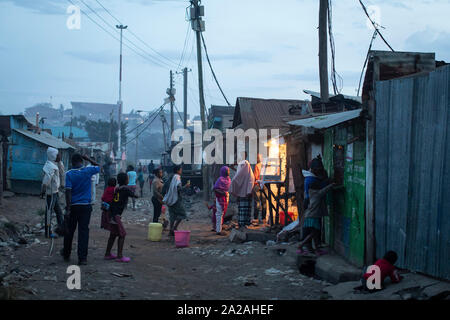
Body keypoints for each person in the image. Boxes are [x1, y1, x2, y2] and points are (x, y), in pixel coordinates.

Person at [62, 154, 101, 265]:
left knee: (69, 231)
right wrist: (88, 158)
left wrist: (68, 209)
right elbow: (99, 167)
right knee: (83, 232)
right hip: (85, 206)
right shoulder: (88, 171)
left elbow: (68, 192)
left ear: (72, 162)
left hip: (73, 206)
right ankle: (82, 258)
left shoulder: (69, 174)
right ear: (81, 161)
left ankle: (66, 254)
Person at [103, 172, 138, 263]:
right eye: (127, 179)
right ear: (125, 180)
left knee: (113, 234)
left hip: (111, 213)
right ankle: (119, 256)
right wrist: (135, 193)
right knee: (122, 234)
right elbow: (134, 195)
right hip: (116, 215)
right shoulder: (125, 189)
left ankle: (107, 254)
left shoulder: (116, 189)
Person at [297, 180, 335, 255]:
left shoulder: (309, 193)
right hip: (313, 216)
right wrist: (332, 184)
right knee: (314, 233)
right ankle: (300, 245)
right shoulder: (317, 194)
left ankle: (317, 250)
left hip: (308, 215)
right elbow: (324, 190)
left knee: (314, 233)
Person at [41, 147, 64, 237]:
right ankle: (48, 232)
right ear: (53, 155)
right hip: (50, 193)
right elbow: (45, 181)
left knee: (58, 211)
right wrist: (43, 190)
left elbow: (62, 172)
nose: (59, 156)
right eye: (58, 154)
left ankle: (61, 229)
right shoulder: (50, 166)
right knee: (49, 212)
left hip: (55, 192)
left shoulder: (55, 164)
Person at [163, 165, 190, 236]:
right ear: (178, 170)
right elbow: (178, 189)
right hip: (176, 199)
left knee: (172, 215)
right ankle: (174, 228)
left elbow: (164, 187)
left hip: (170, 199)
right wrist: (186, 186)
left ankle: (171, 231)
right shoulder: (177, 178)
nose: (181, 171)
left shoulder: (170, 177)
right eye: (181, 169)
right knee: (183, 214)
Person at [230, 160, 255, 229]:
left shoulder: (248, 174)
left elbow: (235, 180)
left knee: (244, 209)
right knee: (243, 209)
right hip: (244, 195)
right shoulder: (246, 173)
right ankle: (242, 223)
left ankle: (244, 223)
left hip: (245, 195)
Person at [212, 166, 231, 235]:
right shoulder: (220, 179)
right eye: (227, 171)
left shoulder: (228, 179)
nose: (228, 172)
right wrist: (222, 192)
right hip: (220, 198)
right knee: (219, 213)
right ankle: (218, 230)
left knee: (222, 213)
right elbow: (215, 189)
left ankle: (219, 227)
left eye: (228, 171)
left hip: (226, 197)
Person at [252, 154, 266, 225]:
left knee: (257, 202)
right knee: (264, 203)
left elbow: (256, 176)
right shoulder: (267, 166)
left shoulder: (258, 165)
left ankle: (256, 219)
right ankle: (263, 219)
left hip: (257, 185)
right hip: (265, 184)